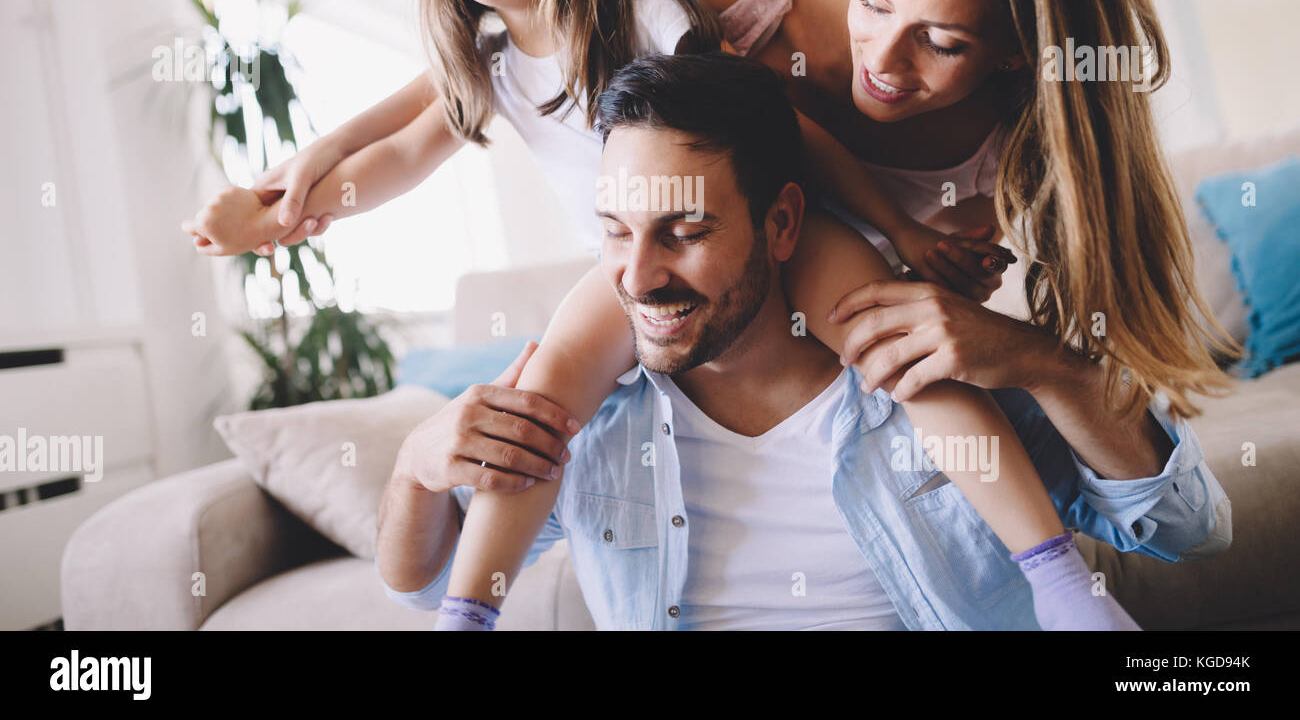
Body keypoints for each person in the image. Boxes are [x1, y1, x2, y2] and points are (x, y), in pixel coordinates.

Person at [377, 53, 1230, 630]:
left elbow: (1188, 528)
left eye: (684, 230)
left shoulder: (932, 367)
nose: (636, 277)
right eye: (615, 231)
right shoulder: (595, 410)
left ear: (783, 221)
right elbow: (421, 584)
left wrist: (1047, 362)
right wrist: (418, 463)